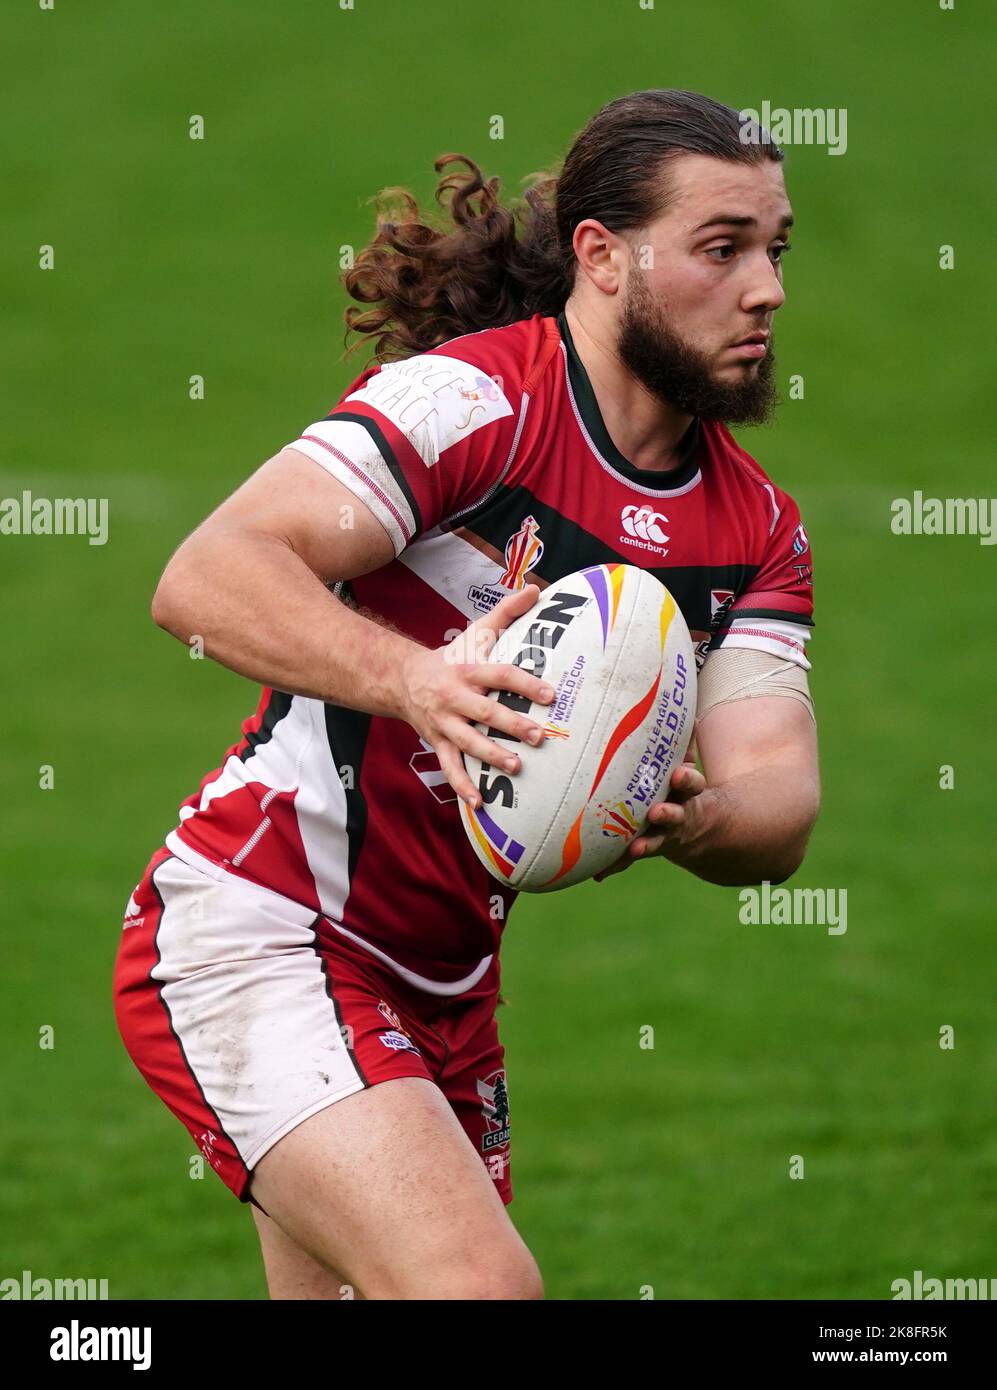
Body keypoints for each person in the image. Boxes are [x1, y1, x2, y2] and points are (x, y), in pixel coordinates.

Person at [113, 88, 820, 1300]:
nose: (766, 289)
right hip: (262, 931)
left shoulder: (756, 528)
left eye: (774, 250)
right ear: (600, 257)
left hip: (444, 990)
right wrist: (419, 681)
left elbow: (779, 798)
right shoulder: (476, 405)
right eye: (722, 248)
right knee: (475, 1289)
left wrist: (690, 817)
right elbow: (208, 574)